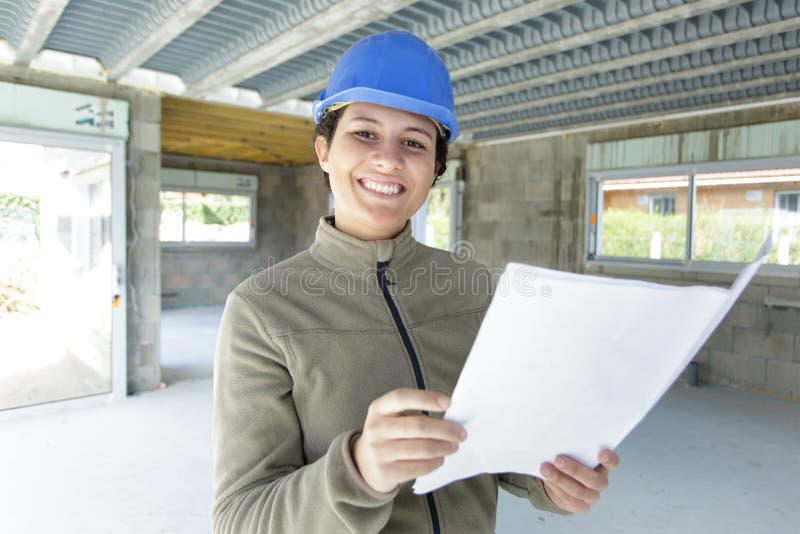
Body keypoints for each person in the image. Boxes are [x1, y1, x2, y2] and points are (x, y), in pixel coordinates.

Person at [212, 30, 619, 533]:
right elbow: (240, 519)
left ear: (435, 169)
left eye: (413, 142)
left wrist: (552, 479)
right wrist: (358, 470)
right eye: (364, 133)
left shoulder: (477, 288)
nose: (388, 158)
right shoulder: (263, 310)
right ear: (323, 150)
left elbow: (502, 443)